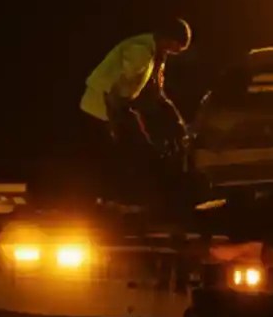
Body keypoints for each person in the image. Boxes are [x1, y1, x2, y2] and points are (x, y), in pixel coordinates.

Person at [79, 18, 191, 209]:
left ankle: (126, 197)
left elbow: (156, 92)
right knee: (124, 150)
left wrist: (177, 122)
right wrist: (115, 119)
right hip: (101, 105)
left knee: (139, 145)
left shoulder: (155, 53)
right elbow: (112, 85)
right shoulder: (141, 50)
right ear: (168, 39)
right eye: (175, 47)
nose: (174, 52)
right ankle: (113, 200)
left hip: (120, 104)